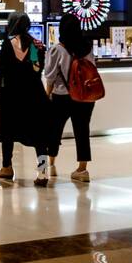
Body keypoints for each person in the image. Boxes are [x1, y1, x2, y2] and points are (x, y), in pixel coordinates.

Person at [0, 12, 50, 186]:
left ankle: (7, 167)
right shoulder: (35, 45)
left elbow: (3, 69)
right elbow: (36, 69)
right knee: (39, 135)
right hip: (34, 94)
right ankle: (42, 172)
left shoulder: (8, 44)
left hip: (12, 95)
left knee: (8, 132)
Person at [44, 13, 97, 182]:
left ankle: (50, 165)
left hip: (62, 96)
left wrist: (47, 95)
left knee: (54, 130)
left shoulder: (57, 49)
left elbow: (50, 77)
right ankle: (82, 170)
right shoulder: (87, 48)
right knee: (82, 131)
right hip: (84, 97)